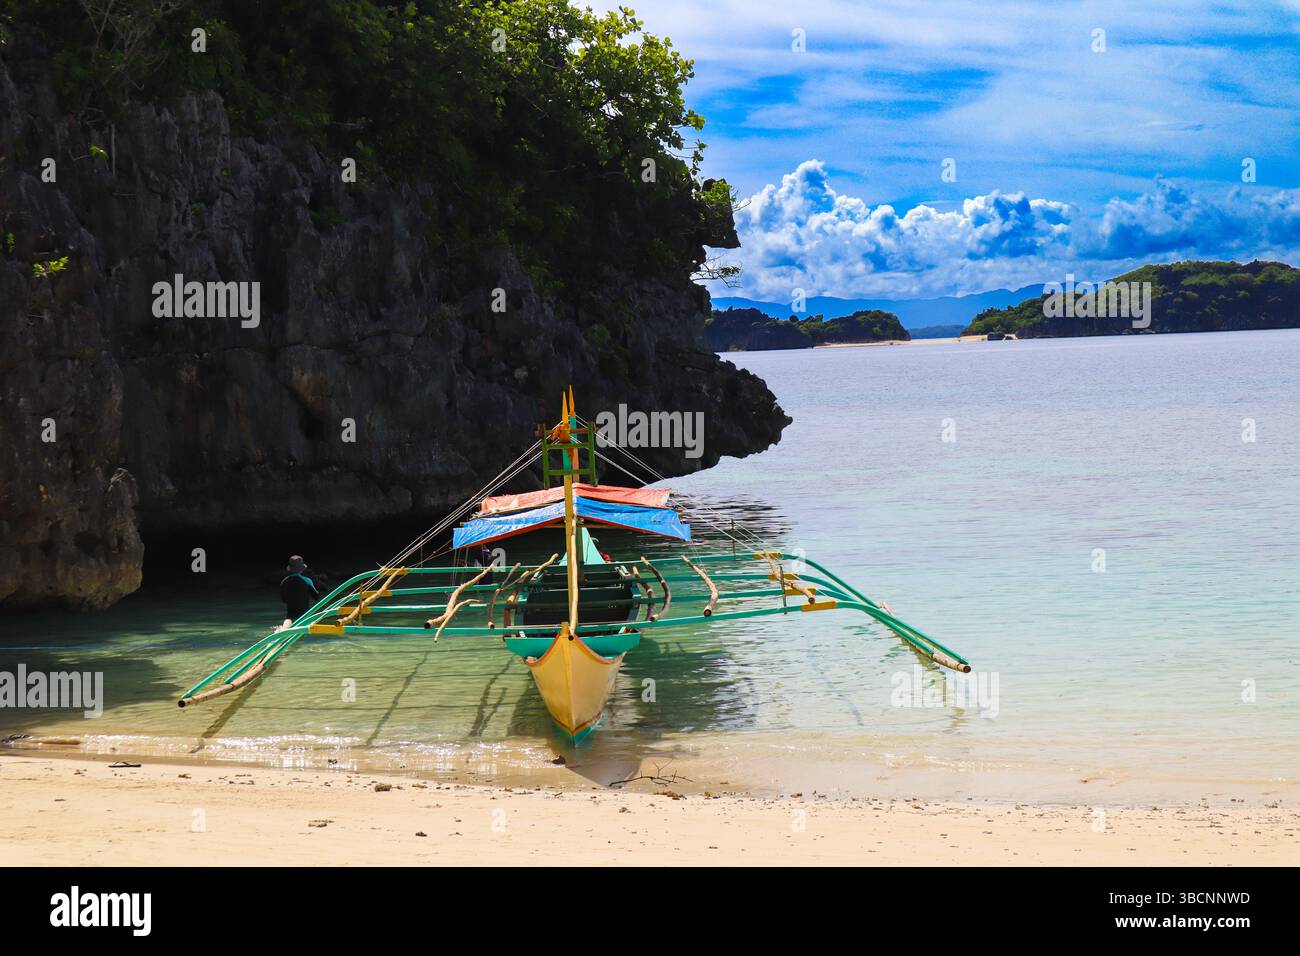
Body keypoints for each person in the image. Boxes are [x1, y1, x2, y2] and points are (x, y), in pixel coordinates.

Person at [279, 555, 320, 627]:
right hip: (305, 614)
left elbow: (283, 600)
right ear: (302, 569)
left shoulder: (284, 582)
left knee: (288, 619)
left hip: (290, 614)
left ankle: (284, 628)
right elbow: (316, 596)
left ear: (290, 568)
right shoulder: (307, 580)